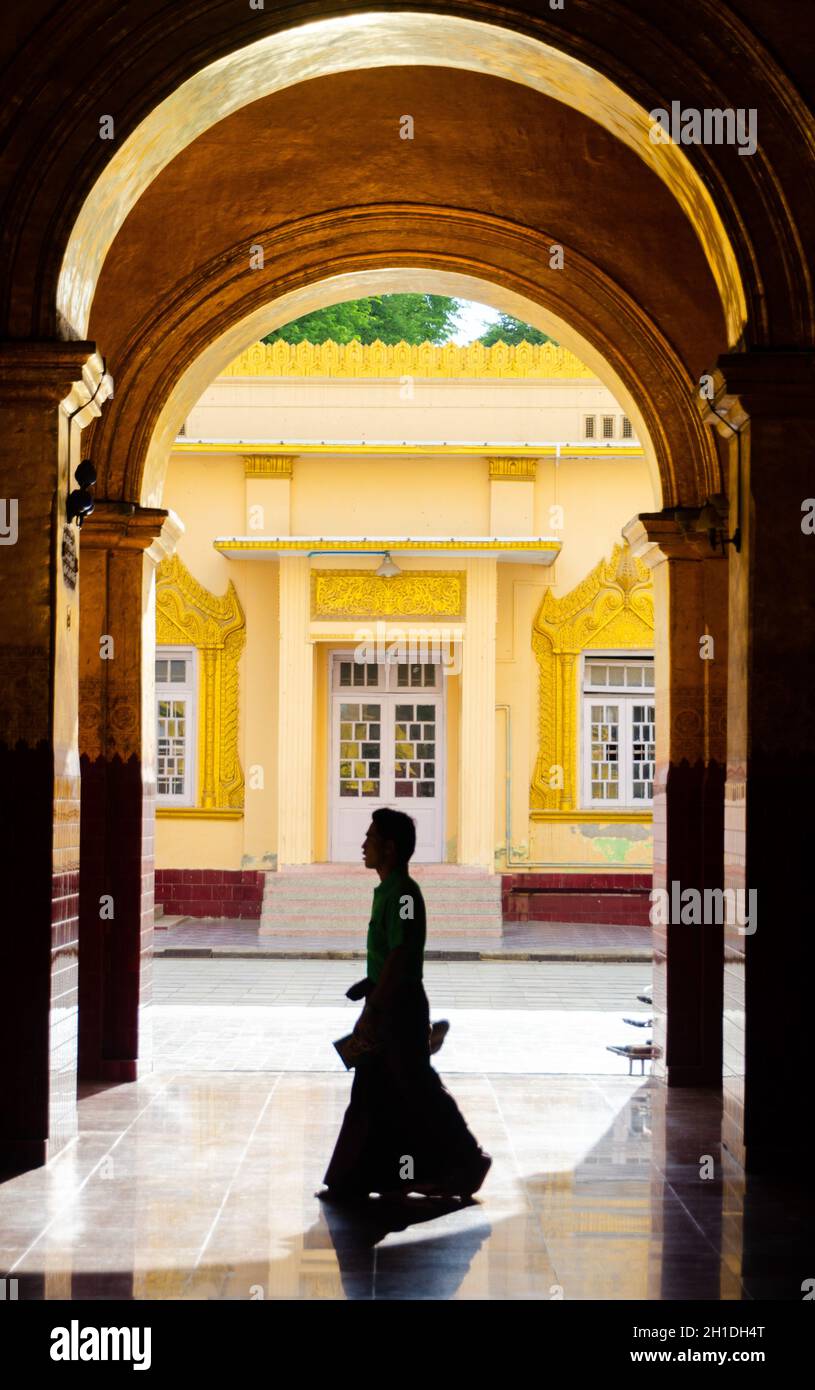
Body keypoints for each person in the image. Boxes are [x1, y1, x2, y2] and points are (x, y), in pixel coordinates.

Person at [319, 807, 492, 1203]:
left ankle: (468, 1163)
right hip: (388, 999)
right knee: (376, 1092)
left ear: (390, 848)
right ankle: (363, 1179)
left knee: (418, 1090)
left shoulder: (404, 895)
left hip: (398, 1007)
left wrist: (374, 1009)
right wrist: (369, 985)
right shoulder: (388, 891)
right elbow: (393, 955)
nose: (364, 845)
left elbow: (401, 953)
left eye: (371, 838)